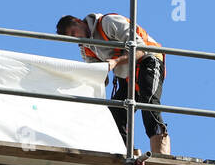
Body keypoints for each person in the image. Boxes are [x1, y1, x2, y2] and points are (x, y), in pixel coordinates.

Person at [56, 13, 171, 155]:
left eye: (74, 33)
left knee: (148, 104)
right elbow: (99, 76)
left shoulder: (107, 22)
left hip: (148, 60)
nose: (77, 38)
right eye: (72, 38)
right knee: (116, 113)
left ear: (79, 22)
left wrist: (115, 62)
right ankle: (129, 156)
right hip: (126, 74)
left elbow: (140, 48)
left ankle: (161, 154)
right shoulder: (86, 48)